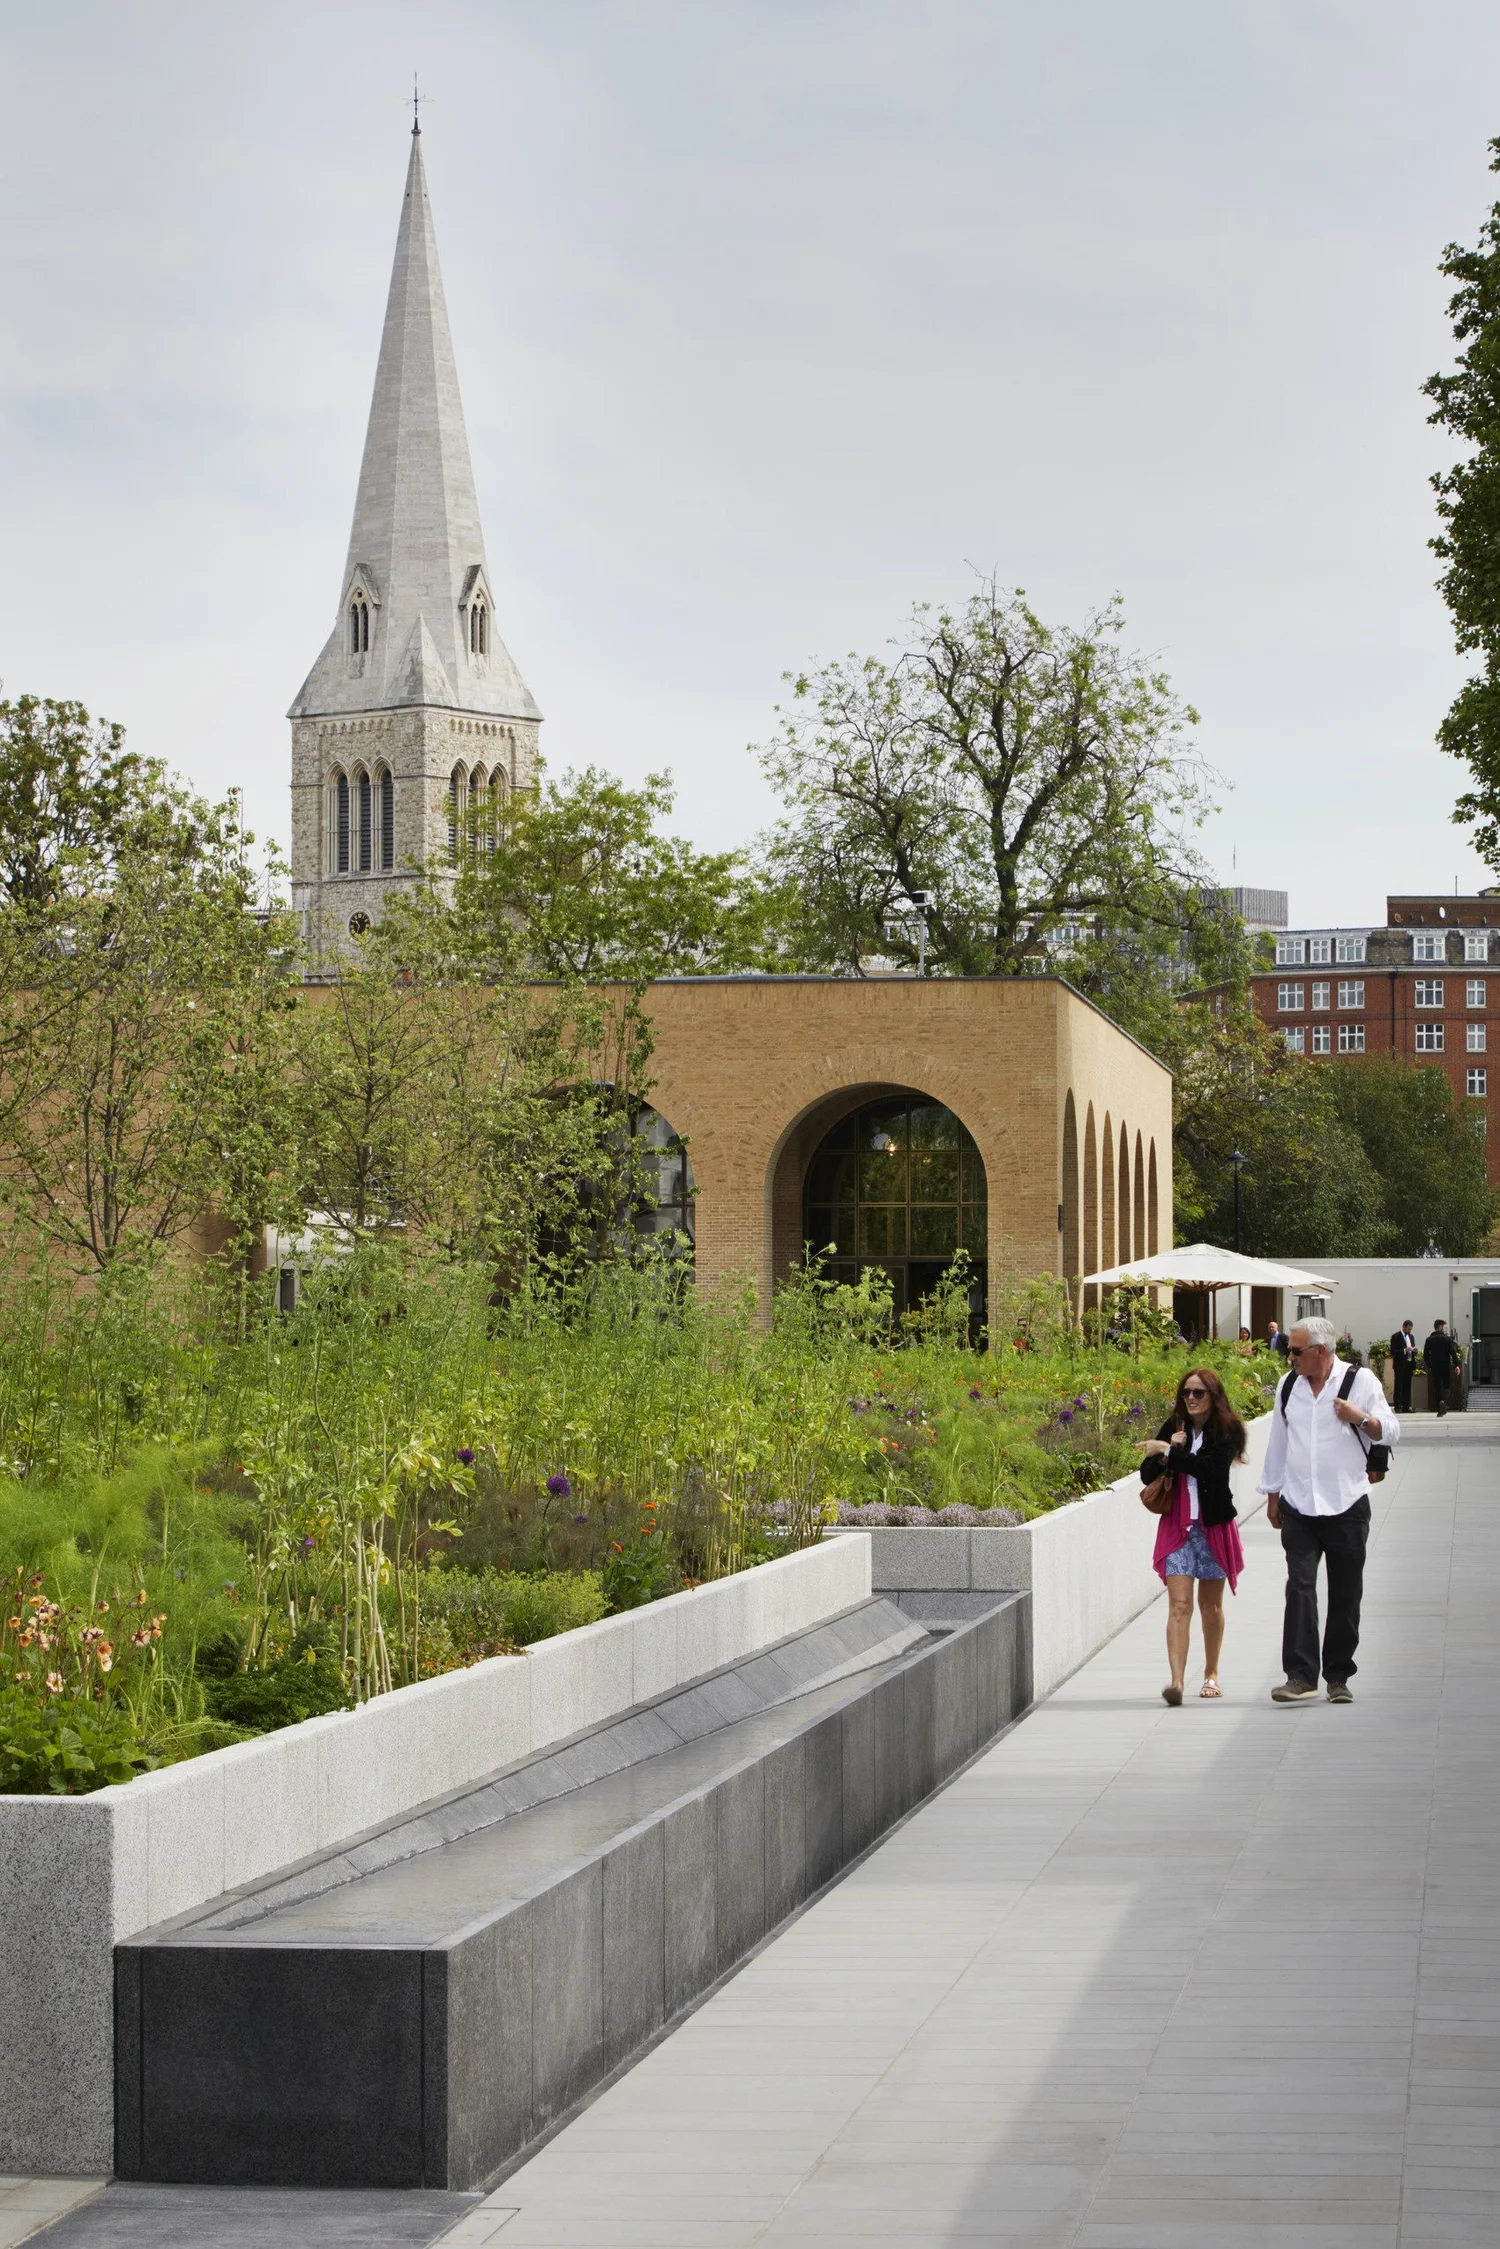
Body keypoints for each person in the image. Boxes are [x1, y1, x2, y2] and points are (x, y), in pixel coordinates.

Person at [1258, 1316, 1398, 1704]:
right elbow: (1278, 1441)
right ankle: (1300, 1676)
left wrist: (1360, 1417)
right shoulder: (1288, 1386)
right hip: (1299, 1505)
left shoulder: (1360, 1381)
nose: (1290, 1358)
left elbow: (1391, 1429)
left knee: (1345, 1593)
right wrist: (1272, 1495)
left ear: (1321, 1351)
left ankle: (1338, 1676)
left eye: (1296, 1351)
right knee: (1300, 1587)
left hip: (1347, 1504)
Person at [1141, 1368, 1247, 1707]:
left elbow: (1211, 1471)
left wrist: (1170, 1452)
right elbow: (1146, 1473)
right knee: (1180, 1604)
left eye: (1198, 1393)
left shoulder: (1227, 1430)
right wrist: (1166, 1450)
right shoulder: (1175, 1426)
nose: (1191, 1398)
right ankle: (1176, 1682)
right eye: (1186, 1392)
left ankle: (1211, 1673)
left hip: (1212, 1527)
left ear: (1213, 1397)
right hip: (1178, 1528)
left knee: (1210, 1605)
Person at [1423, 1319, 1457, 1417]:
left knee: (1437, 1387)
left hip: (1435, 1366)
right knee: (1447, 1386)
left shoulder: (1429, 1339)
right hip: (1445, 1365)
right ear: (1441, 1327)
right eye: (1445, 1327)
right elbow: (1453, 1353)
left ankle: (1440, 1409)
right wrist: (1457, 1365)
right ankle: (1443, 1401)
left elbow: (1425, 1355)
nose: (1445, 1329)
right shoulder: (1447, 1339)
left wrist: (1430, 1365)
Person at [1389, 1319, 1417, 1414]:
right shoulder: (1396, 1337)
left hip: (1409, 1363)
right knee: (1399, 1385)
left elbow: (1413, 1347)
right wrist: (1405, 1350)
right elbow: (1393, 1352)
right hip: (1400, 1365)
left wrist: (1414, 1350)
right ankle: (1398, 1406)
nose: (1409, 1331)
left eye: (1411, 1329)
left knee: (1407, 1386)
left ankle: (1406, 1406)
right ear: (1404, 1327)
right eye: (1408, 1329)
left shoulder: (1411, 1337)